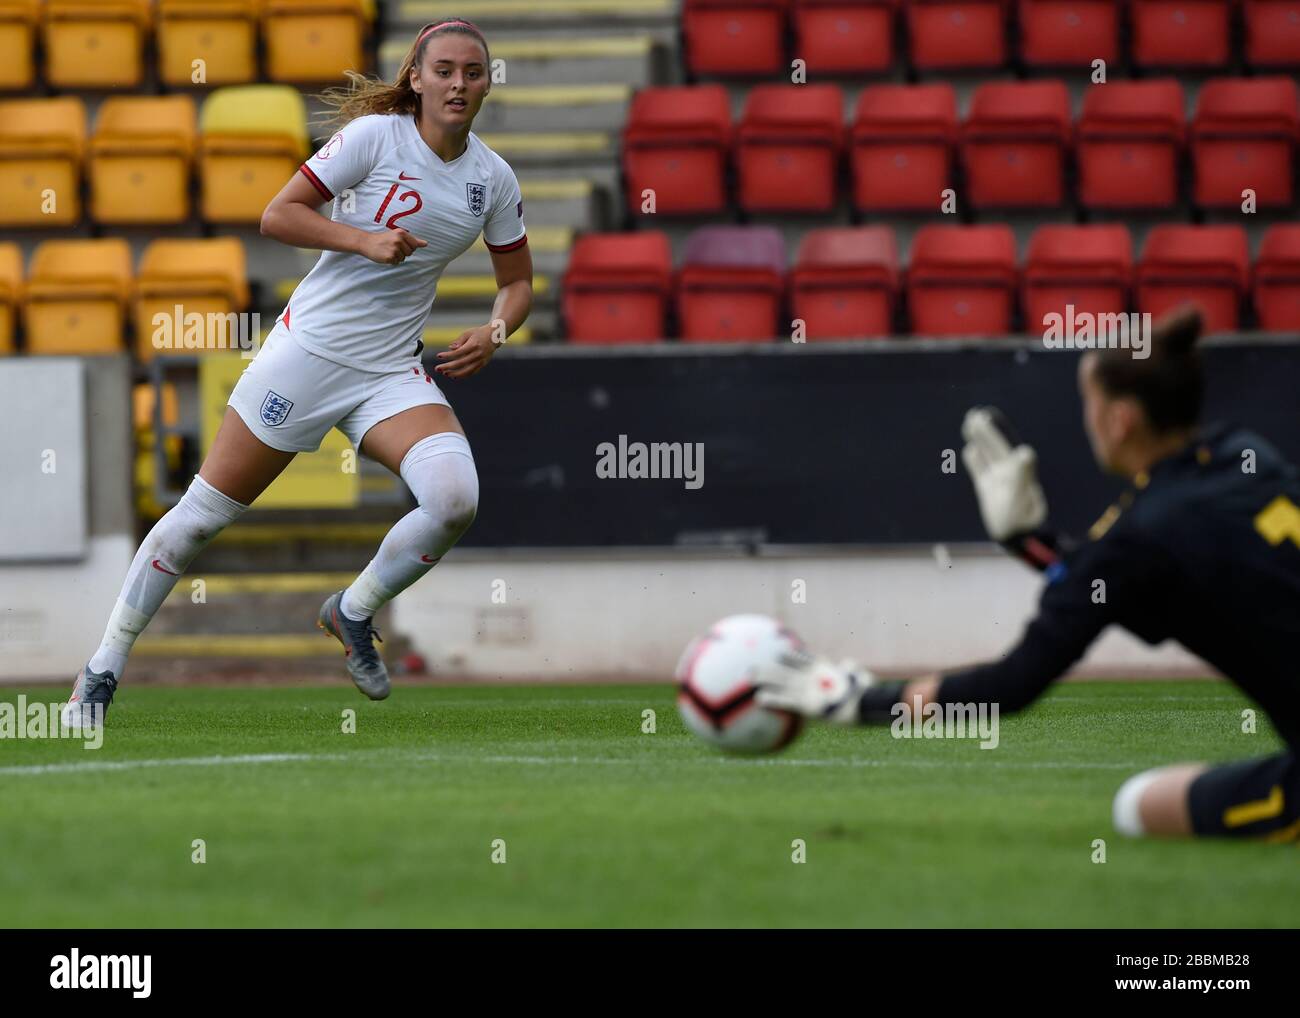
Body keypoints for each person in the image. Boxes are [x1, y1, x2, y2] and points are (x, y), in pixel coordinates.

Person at [64, 18, 532, 724]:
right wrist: (361, 240)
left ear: (487, 82)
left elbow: (518, 282)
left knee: (454, 500)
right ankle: (100, 672)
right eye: (444, 70)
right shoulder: (376, 139)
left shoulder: (492, 178)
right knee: (197, 522)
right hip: (305, 358)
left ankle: (351, 611)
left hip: (389, 372)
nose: (459, 84)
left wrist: (496, 328)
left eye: (473, 71)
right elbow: (278, 214)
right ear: (416, 77)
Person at [756, 305, 1300, 842]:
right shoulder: (1245, 456)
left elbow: (1011, 685)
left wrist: (862, 702)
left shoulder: (1140, 536)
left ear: (1120, 419)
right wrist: (1031, 544)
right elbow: (1119, 583)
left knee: (1137, 808)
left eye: (1088, 402)